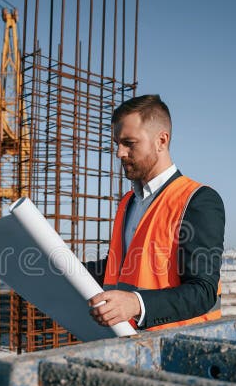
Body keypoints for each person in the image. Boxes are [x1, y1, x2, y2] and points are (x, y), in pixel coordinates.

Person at [86, 94, 225, 331]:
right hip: (128, 343)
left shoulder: (198, 200)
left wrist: (136, 304)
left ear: (161, 140)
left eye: (129, 143)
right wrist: (61, 267)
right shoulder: (128, 202)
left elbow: (203, 291)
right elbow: (120, 267)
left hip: (181, 347)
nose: (119, 153)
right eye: (117, 143)